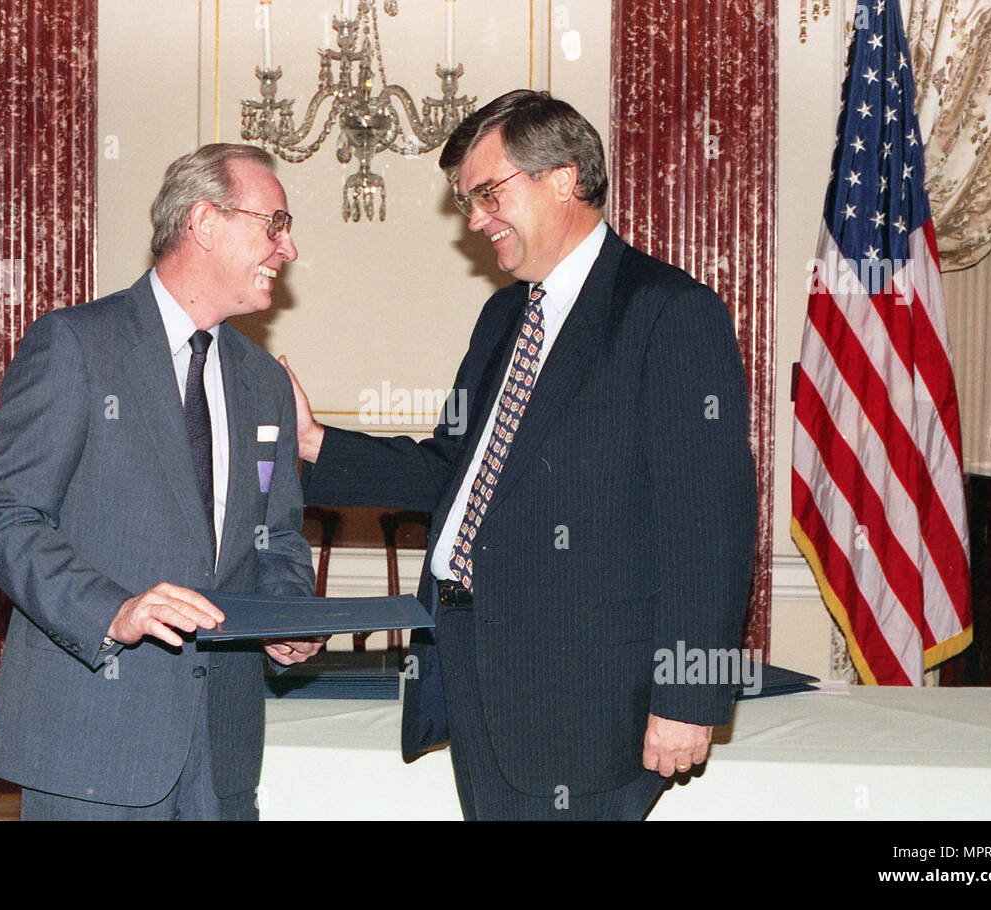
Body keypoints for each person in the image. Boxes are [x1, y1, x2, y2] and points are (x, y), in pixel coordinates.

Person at [282, 91, 757, 820]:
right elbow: (455, 471)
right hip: (476, 671)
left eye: (487, 193)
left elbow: (709, 526)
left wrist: (689, 699)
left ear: (563, 178)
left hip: (588, 701)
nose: (474, 220)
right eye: (467, 201)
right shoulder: (508, 313)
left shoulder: (667, 311)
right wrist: (316, 444)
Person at [0, 143, 322, 821]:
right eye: (275, 224)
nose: (289, 249)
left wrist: (287, 615)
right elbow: (2, 515)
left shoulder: (266, 384)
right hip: (92, 738)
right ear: (205, 223)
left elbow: (275, 533)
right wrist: (112, 611)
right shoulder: (74, 345)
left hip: (224, 746)